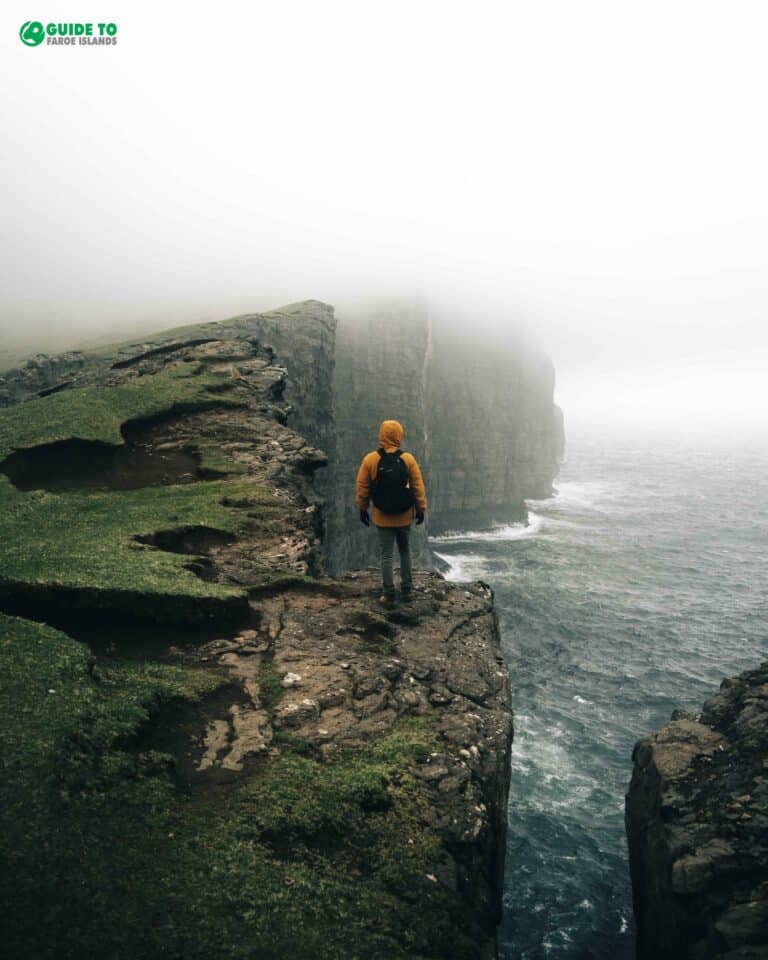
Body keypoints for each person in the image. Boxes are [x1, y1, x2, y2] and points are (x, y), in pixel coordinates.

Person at [356, 419, 427, 606]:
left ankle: (388, 593)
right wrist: (421, 509)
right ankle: (407, 591)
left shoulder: (371, 459)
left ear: (382, 435)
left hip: (382, 516)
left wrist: (362, 508)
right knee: (405, 552)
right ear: (399, 436)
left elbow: (362, 488)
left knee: (386, 555)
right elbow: (418, 488)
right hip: (404, 516)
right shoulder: (408, 459)